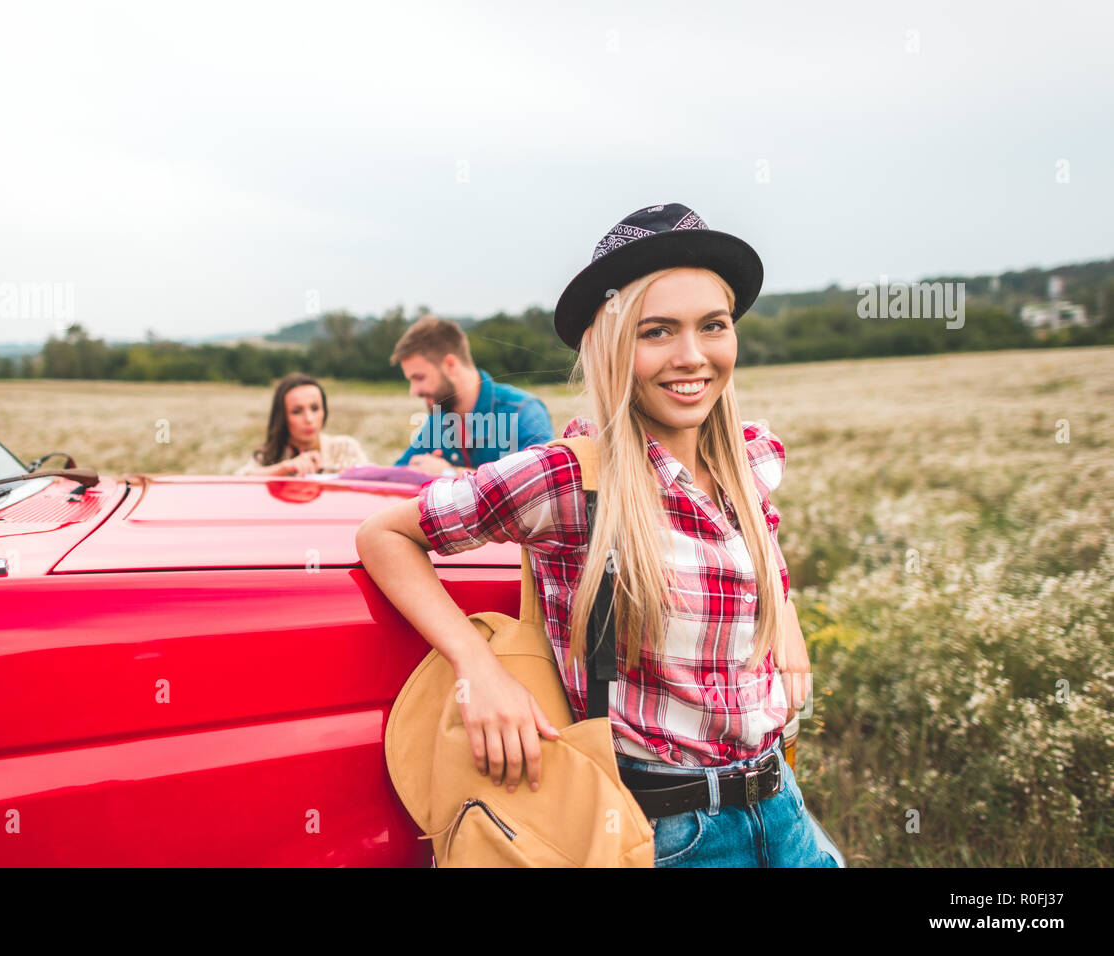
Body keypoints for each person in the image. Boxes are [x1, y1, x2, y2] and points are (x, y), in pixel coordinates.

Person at [357, 203, 843, 867]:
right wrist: (479, 669)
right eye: (658, 331)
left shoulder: (747, 463)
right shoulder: (571, 480)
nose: (692, 355)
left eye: (713, 325)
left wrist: (783, 612)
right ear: (612, 346)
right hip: (671, 835)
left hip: (782, 806)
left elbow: (761, 548)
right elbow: (385, 533)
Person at [390, 316, 553, 476]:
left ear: (450, 365)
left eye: (419, 378)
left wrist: (449, 473)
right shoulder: (439, 417)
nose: (413, 391)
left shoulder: (524, 411)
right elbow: (396, 474)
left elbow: (545, 483)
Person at [234, 373, 368, 476]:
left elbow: (376, 482)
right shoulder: (269, 455)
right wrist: (284, 468)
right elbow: (239, 481)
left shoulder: (345, 448)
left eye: (315, 408)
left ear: (324, 411)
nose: (309, 419)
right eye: (296, 412)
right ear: (282, 417)